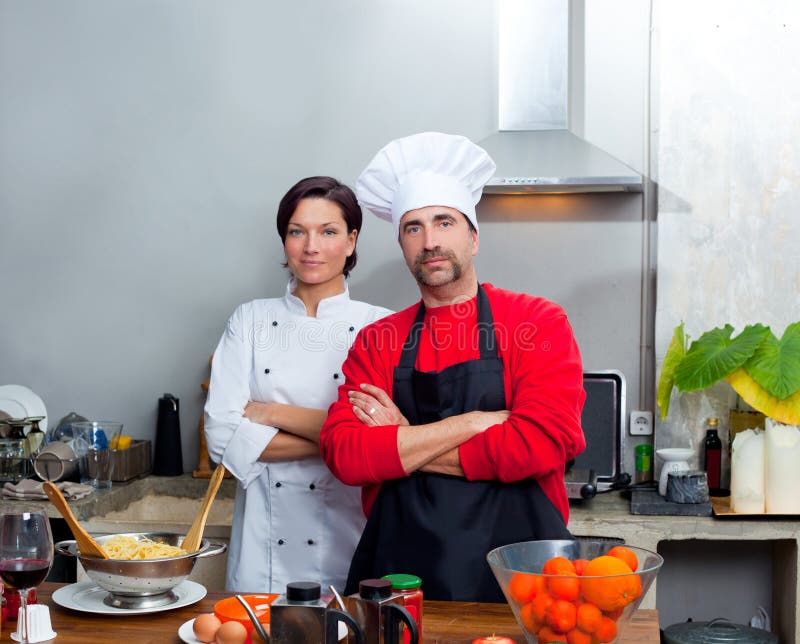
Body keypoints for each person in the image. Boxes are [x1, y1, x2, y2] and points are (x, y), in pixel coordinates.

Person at [319, 133, 586, 602]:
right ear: (401, 244)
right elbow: (346, 453)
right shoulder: (379, 340)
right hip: (400, 578)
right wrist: (472, 423)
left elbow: (541, 444)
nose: (431, 241)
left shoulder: (536, 321)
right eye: (413, 227)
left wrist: (403, 441)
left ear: (474, 237)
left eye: (444, 222)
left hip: (521, 577)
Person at [204, 176, 391, 593]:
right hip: (261, 556)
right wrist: (346, 441)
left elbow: (387, 441)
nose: (311, 247)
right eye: (297, 232)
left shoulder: (380, 325)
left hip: (350, 543)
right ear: (284, 240)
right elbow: (221, 440)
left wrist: (270, 414)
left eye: (328, 232)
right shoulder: (249, 320)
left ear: (351, 240)